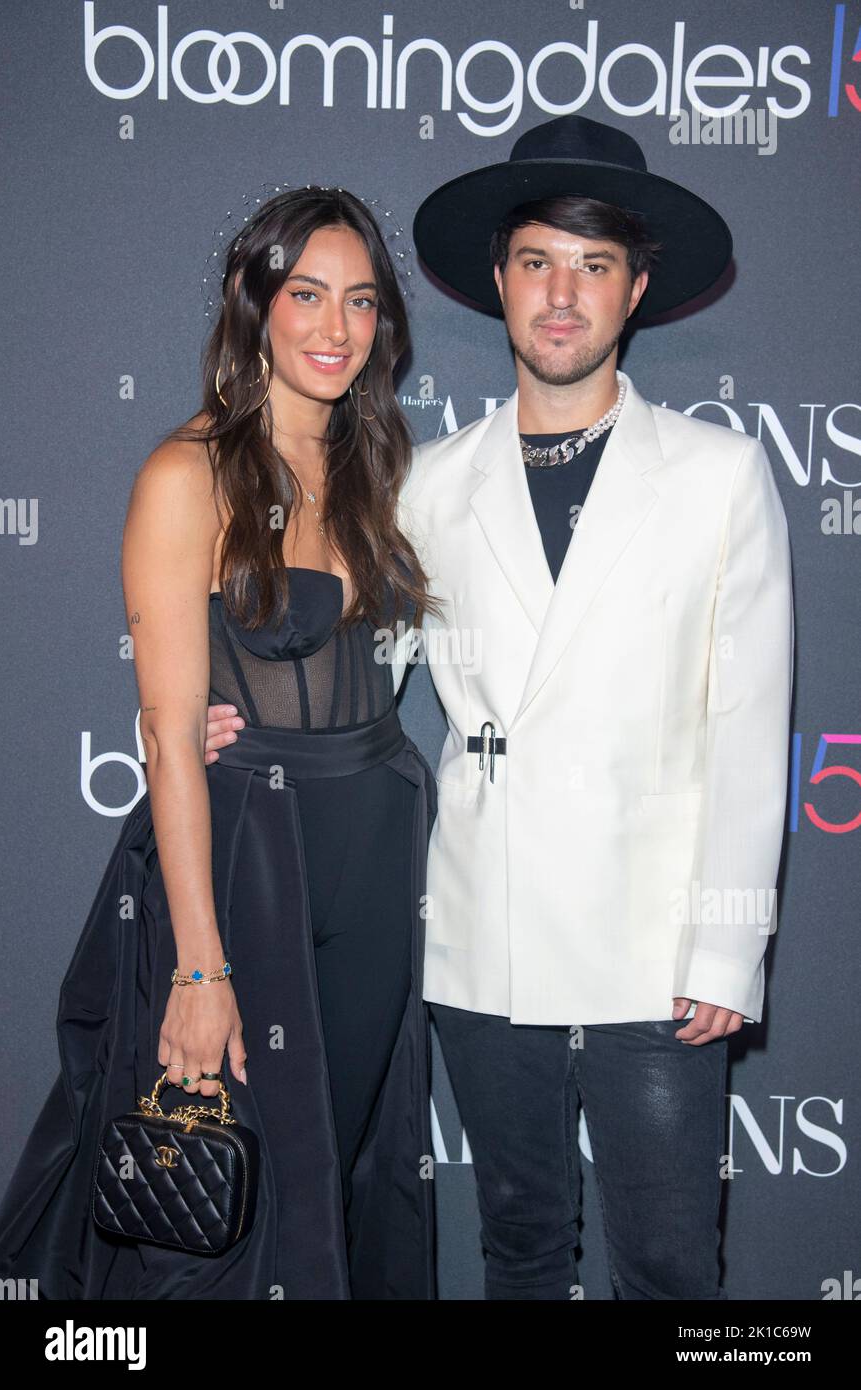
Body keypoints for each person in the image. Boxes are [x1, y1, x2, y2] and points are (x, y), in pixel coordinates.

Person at [206, 114, 796, 1302]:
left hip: (655, 947)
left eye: (591, 267)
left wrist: (727, 943)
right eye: (536, 262)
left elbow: (747, 722)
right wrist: (219, 719)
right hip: (489, 934)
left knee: (671, 1264)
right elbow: (356, 661)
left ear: (634, 291)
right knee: (517, 1249)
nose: (561, 296)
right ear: (498, 282)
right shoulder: (428, 482)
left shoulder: (717, 475)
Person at [0, 186, 440, 1300]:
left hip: (374, 854)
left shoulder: (378, 465)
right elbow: (168, 731)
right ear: (254, 304)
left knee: (335, 1171)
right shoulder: (184, 473)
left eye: (360, 301)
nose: (335, 328)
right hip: (246, 862)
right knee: (233, 1197)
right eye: (306, 295)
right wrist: (199, 963)